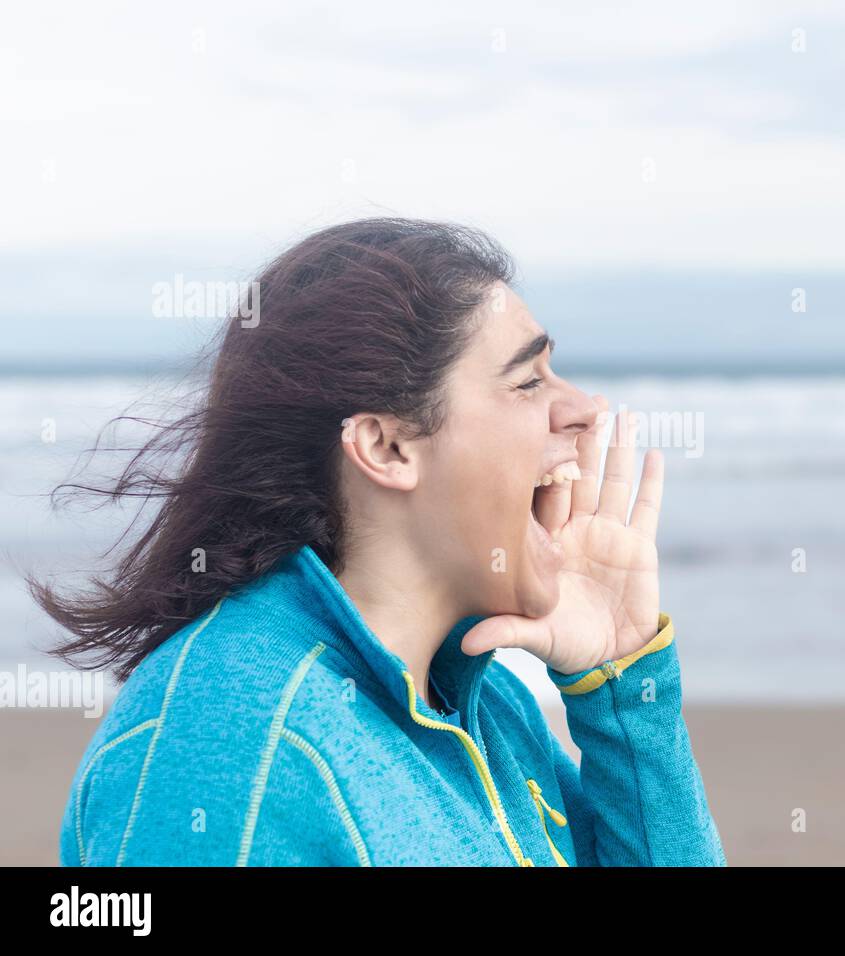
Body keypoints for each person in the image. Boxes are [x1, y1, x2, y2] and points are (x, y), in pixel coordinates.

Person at [36, 218, 726, 866]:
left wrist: (620, 679)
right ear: (387, 446)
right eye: (526, 381)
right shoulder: (230, 751)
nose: (583, 408)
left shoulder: (480, 704)